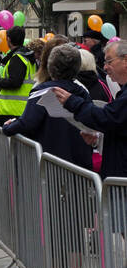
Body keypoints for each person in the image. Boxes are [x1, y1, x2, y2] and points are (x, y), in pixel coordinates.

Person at [2, 44, 93, 168]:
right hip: (79, 163)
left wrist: (8, 127)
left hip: (51, 161)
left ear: (50, 67)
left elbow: (28, 122)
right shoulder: (83, 92)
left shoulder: (43, 92)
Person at [52, 39, 127, 180]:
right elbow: (118, 126)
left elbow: (108, 118)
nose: (104, 67)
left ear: (125, 60)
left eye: (109, 61)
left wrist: (73, 102)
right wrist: (98, 140)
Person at [0, 27, 37, 121]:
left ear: (8, 39)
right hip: (24, 109)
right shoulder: (28, 57)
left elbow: (15, 82)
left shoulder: (18, 58)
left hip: (13, 110)